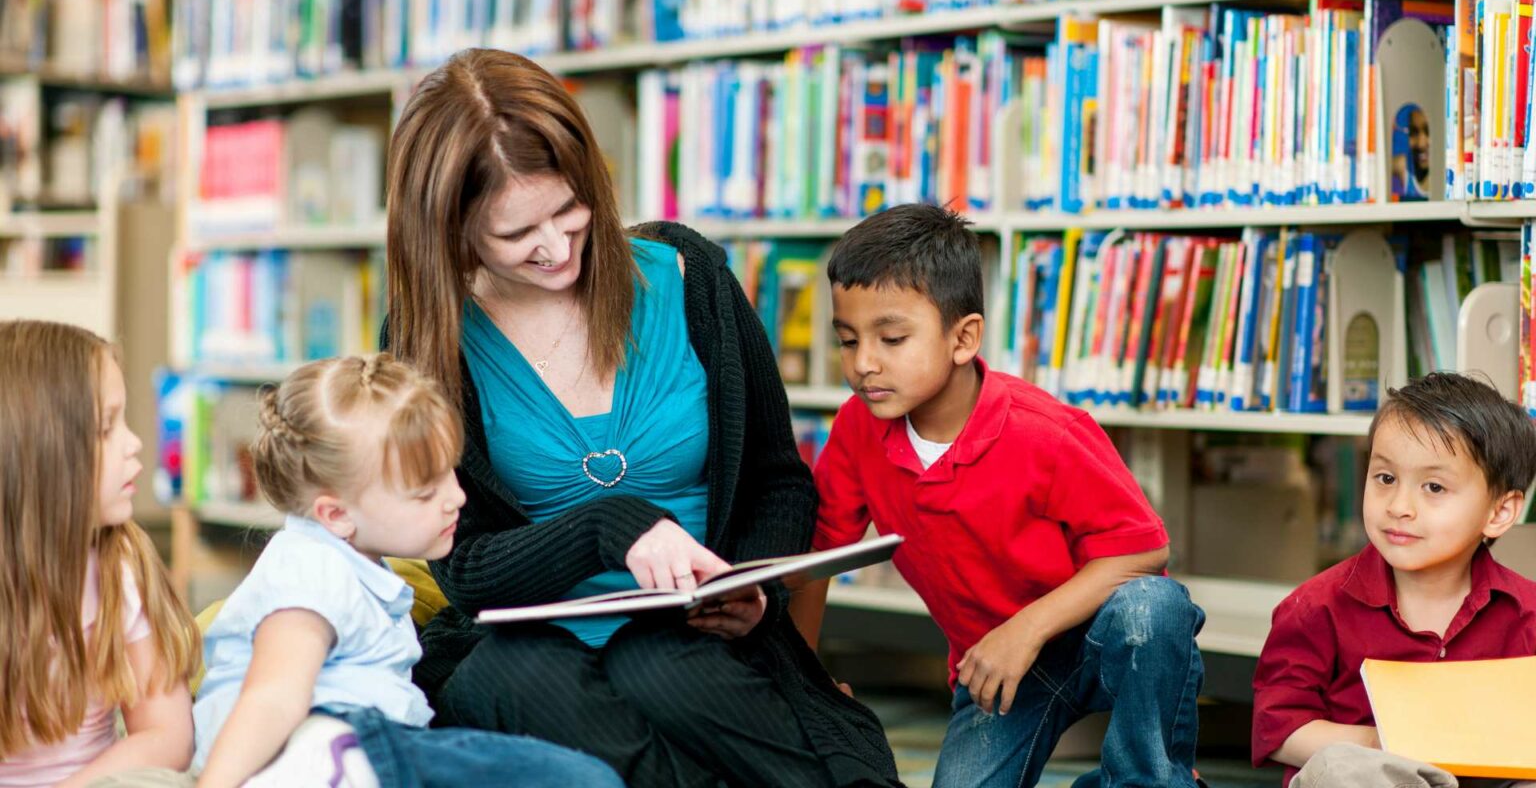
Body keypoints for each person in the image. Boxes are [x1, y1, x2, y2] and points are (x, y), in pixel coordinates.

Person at [383, 47, 900, 788]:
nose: (557, 248)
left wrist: (754, 589)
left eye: (569, 211)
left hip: (695, 631)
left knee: (664, 669)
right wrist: (609, 528)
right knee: (524, 683)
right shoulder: (427, 339)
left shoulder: (689, 280)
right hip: (530, 636)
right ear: (450, 228)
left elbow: (779, 483)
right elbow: (463, 567)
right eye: (515, 235)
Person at [796, 204, 1206, 788]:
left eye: (891, 338)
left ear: (963, 338)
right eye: (847, 340)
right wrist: (804, 684)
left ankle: (1148, 781)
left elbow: (1143, 554)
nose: (863, 364)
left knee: (1153, 608)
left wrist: (1026, 630)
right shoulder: (857, 431)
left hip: (1094, 633)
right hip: (992, 672)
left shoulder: (1047, 432)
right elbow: (817, 561)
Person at [193, 354, 622, 788]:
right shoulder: (310, 567)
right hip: (343, 739)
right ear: (336, 514)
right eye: (424, 493)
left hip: (381, 745)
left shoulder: (353, 560)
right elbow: (273, 693)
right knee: (584, 780)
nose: (456, 497)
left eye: (450, 475)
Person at [1252, 372, 1536, 788]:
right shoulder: (1316, 607)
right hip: (1371, 775)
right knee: (1342, 771)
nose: (1400, 506)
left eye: (1434, 487)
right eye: (1385, 478)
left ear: (1499, 513)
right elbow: (1278, 729)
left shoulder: (1526, 611)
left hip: (1486, 780)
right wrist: (1387, 742)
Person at [0, 320, 200, 787]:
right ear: (43, 455)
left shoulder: (120, 566)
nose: (135, 444)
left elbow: (168, 735)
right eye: (107, 428)